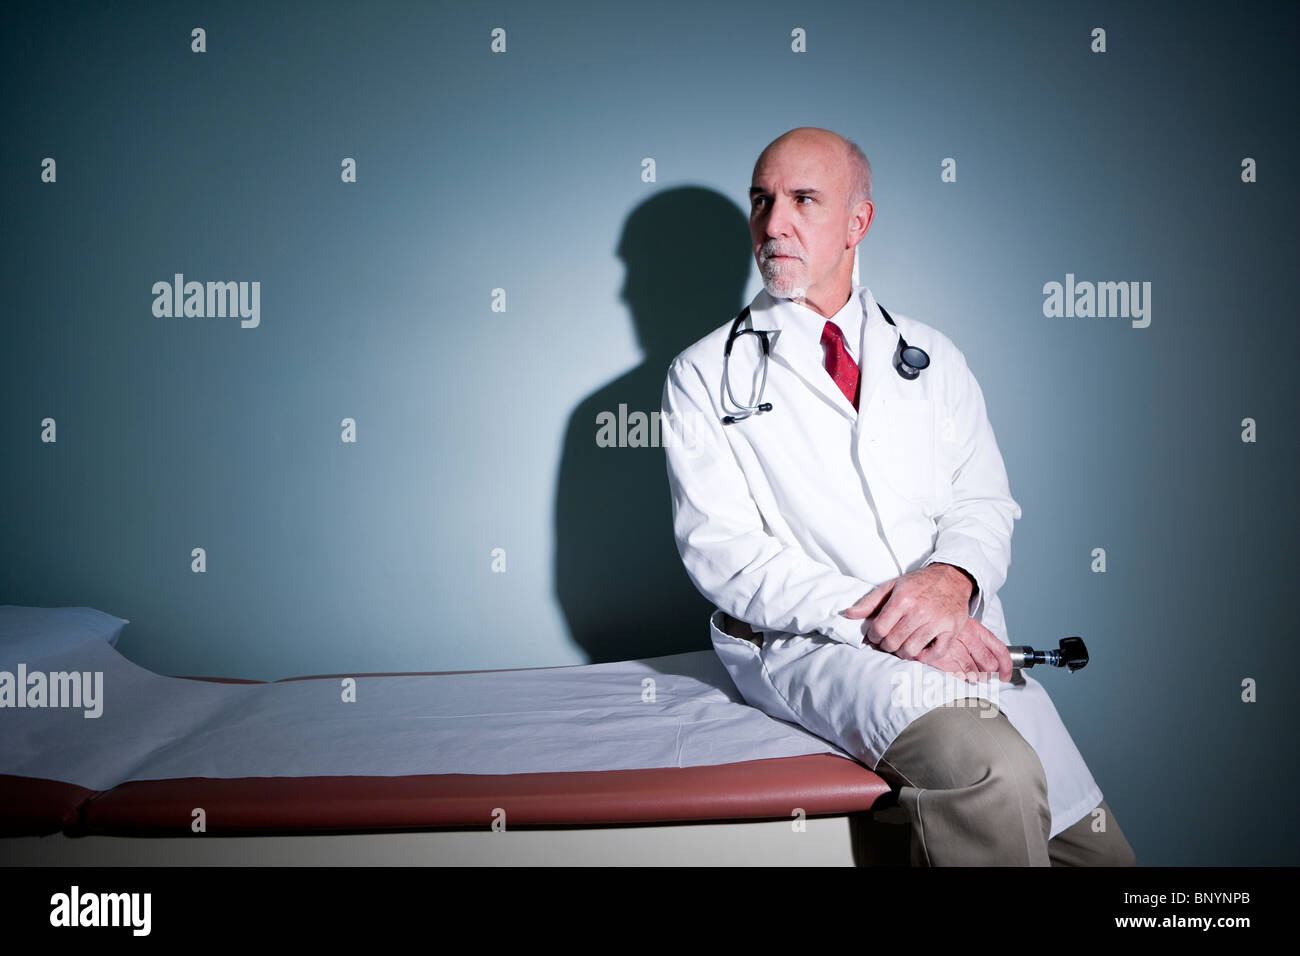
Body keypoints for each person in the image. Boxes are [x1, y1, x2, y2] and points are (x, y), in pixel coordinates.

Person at [659, 126, 1136, 866]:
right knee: (993, 773)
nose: (772, 222)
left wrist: (950, 586)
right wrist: (899, 621)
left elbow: (983, 505)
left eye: (803, 200)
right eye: (761, 200)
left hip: (957, 634)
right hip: (818, 646)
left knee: (1104, 859)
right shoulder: (702, 375)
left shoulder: (931, 356)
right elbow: (723, 555)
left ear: (859, 222)